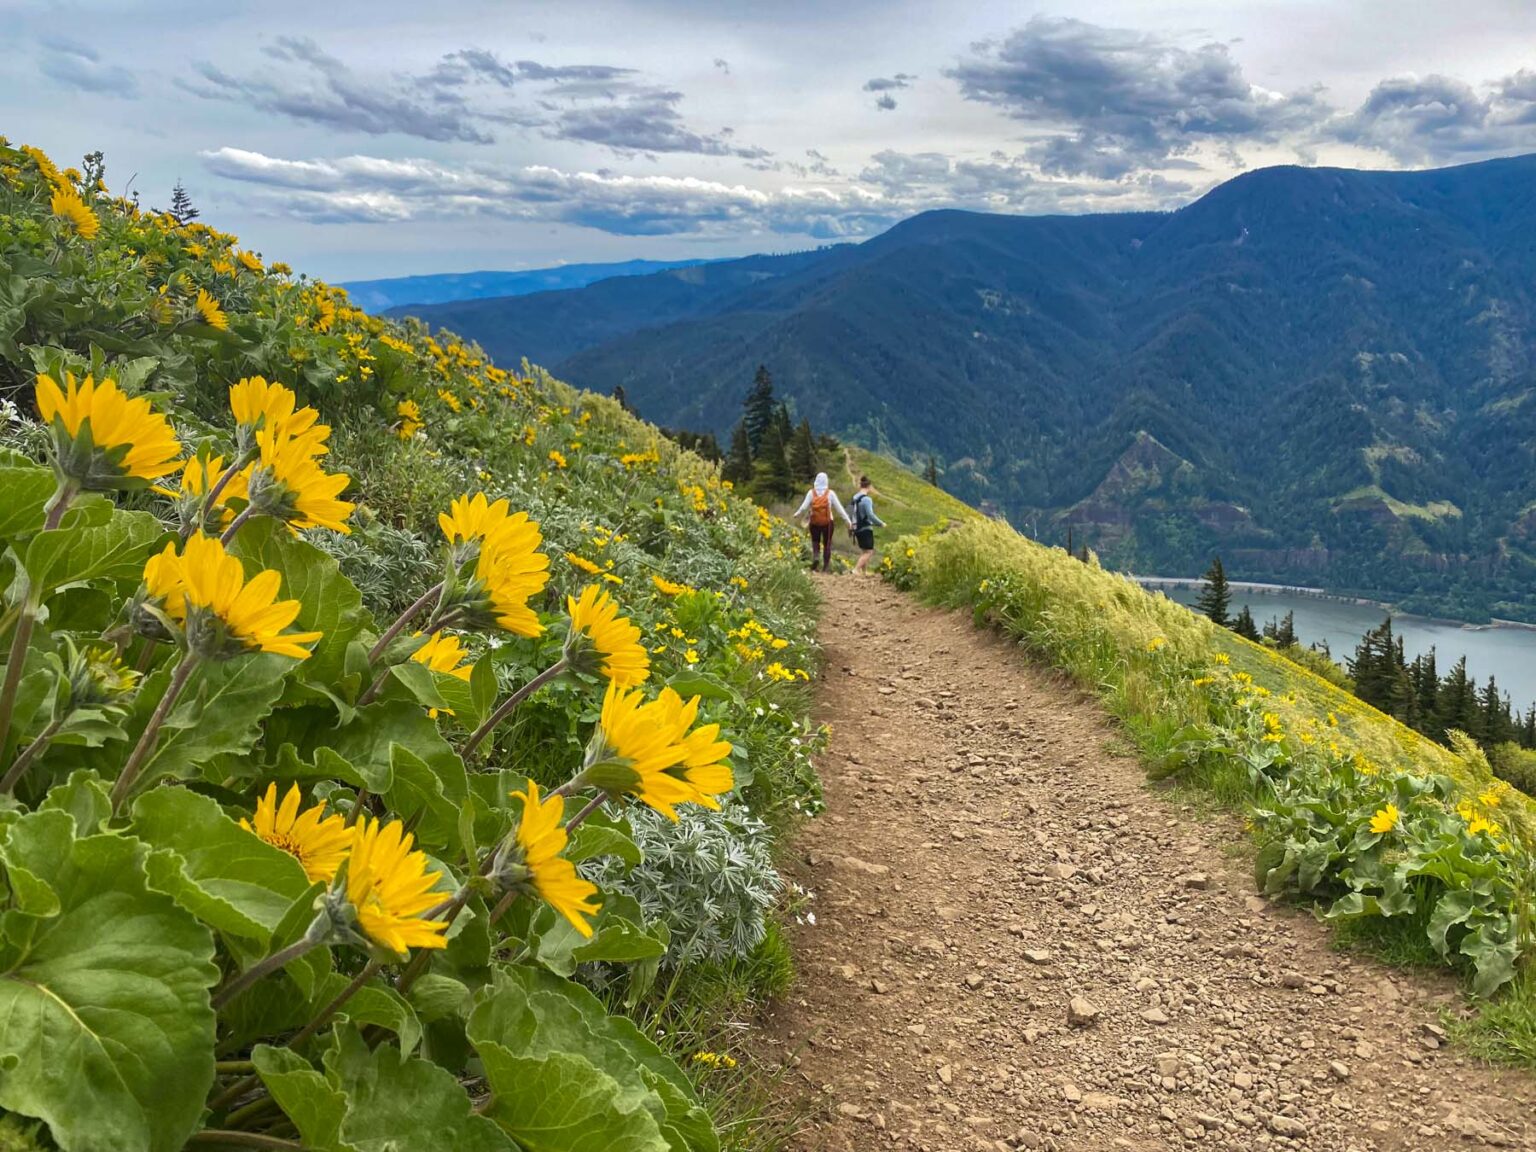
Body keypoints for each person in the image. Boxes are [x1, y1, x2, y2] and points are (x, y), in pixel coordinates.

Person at [793, 471, 853, 572]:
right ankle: (825, 568)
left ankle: (816, 557)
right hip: (828, 523)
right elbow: (840, 509)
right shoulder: (830, 493)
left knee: (815, 541)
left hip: (814, 522)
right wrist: (847, 520)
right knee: (827, 544)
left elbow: (804, 506)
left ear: (816, 480)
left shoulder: (811, 493)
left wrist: (797, 513)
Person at [850, 475, 886, 575]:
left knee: (864, 550)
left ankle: (864, 572)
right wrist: (880, 523)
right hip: (865, 527)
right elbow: (870, 515)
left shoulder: (855, 497)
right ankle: (856, 569)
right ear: (869, 486)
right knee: (869, 552)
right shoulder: (867, 499)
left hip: (856, 527)